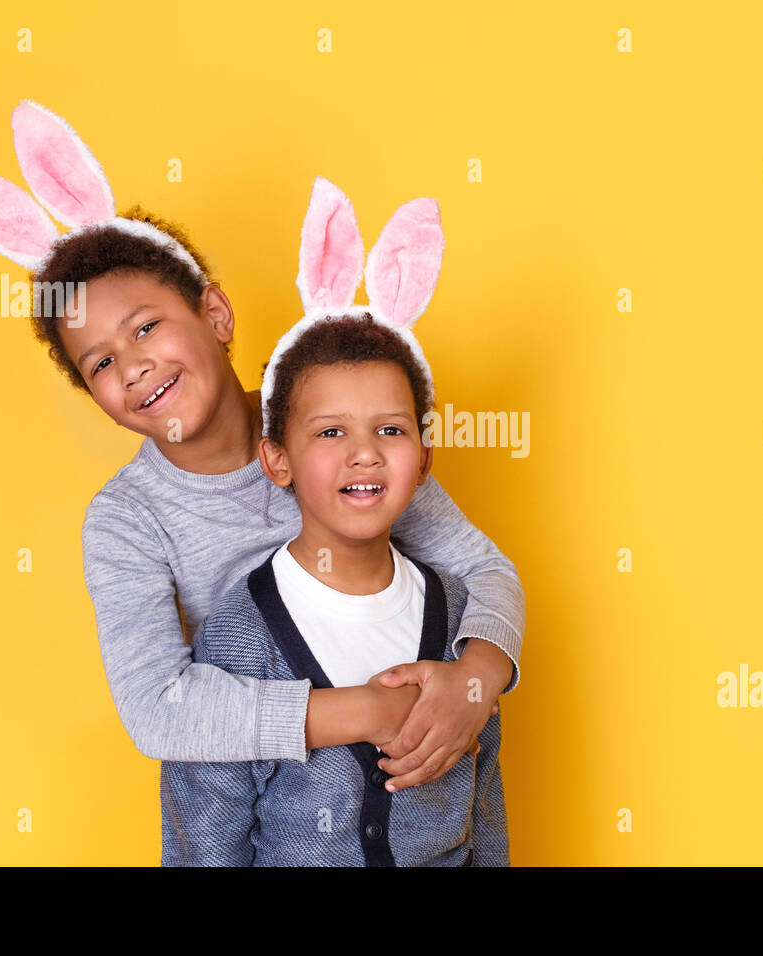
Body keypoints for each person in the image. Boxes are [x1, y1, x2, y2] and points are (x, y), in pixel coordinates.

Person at [0, 102, 524, 797]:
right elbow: (159, 708)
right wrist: (364, 711)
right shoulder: (129, 520)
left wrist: (473, 683)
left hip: (421, 794)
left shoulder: (342, 434)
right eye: (99, 364)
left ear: (215, 315)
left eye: (147, 327)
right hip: (269, 810)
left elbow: (487, 572)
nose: (132, 367)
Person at [161, 180, 508, 865]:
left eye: (390, 429)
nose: (363, 453)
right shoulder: (238, 637)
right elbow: (203, 842)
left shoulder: (461, 617)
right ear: (277, 459)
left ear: (424, 459)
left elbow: (485, 809)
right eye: (329, 433)